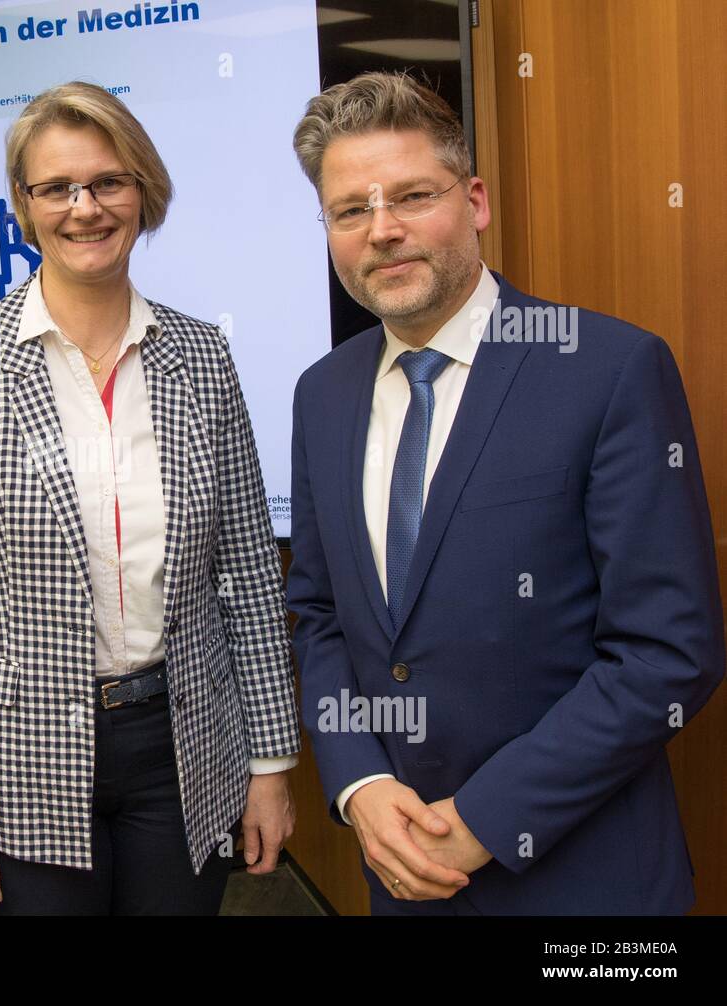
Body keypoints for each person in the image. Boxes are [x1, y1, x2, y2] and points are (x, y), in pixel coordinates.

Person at [285, 71, 724, 915]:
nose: (383, 231)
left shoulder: (606, 370)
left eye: (413, 195)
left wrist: (488, 818)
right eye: (350, 210)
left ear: (476, 200)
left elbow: (670, 652)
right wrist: (360, 780)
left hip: (586, 885)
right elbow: (321, 616)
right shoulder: (322, 392)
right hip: (401, 876)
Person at [0, 82, 300, 915]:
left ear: (143, 193)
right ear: (23, 206)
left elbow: (249, 575)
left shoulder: (201, 356)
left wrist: (271, 766)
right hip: (21, 763)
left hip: (184, 749)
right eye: (56, 188)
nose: (85, 208)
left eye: (109, 182)